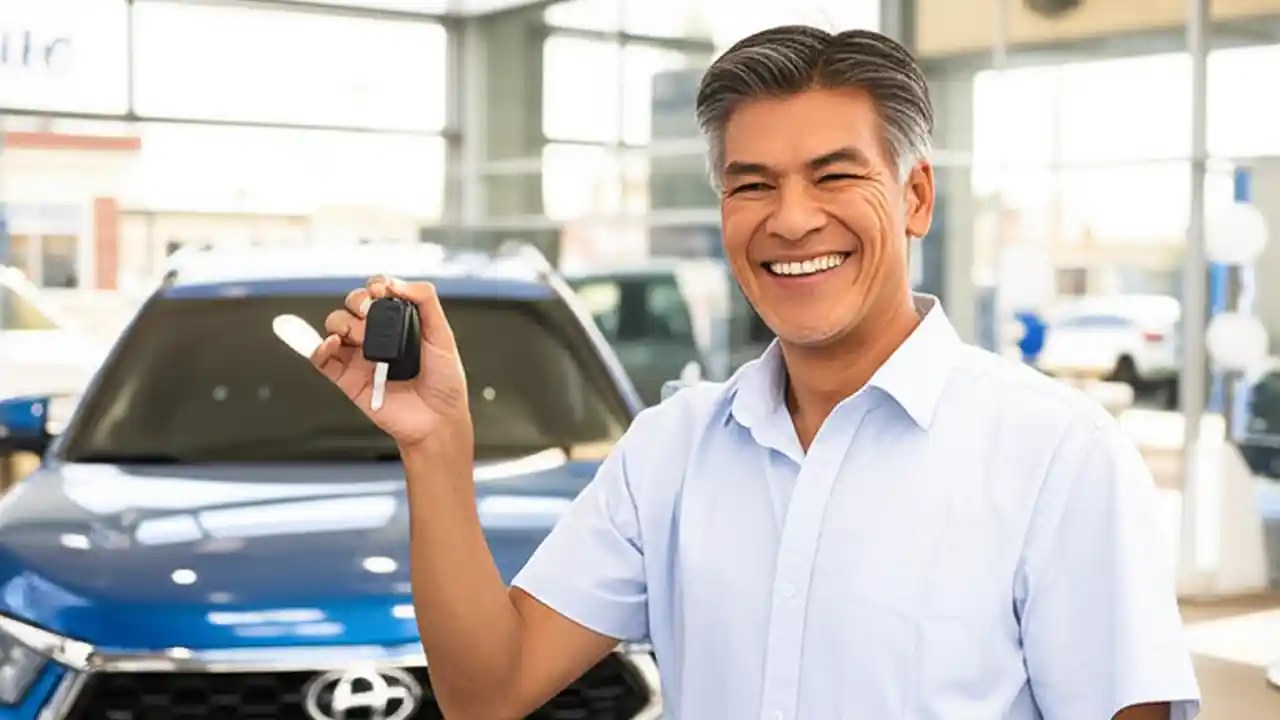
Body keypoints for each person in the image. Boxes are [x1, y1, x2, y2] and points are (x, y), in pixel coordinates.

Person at [312, 25, 1201, 720]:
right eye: (752, 186)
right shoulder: (673, 450)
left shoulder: (1054, 454)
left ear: (916, 196)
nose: (792, 219)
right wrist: (437, 447)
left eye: (833, 176)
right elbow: (487, 689)